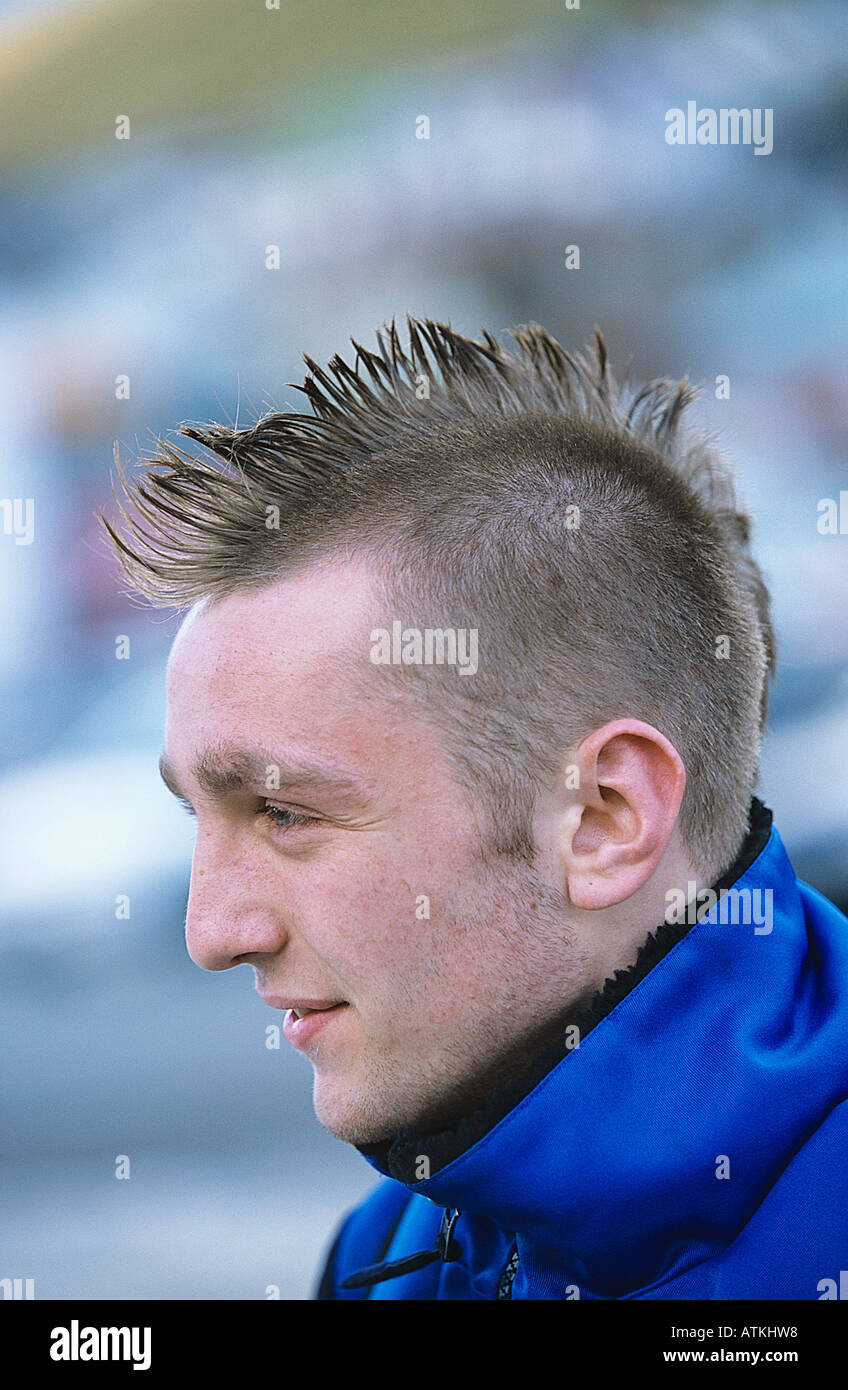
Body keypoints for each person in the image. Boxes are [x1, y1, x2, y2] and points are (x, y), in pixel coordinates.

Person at [100, 317, 848, 1300]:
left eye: (283, 813)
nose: (212, 932)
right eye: (198, 813)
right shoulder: (389, 1252)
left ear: (602, 817)